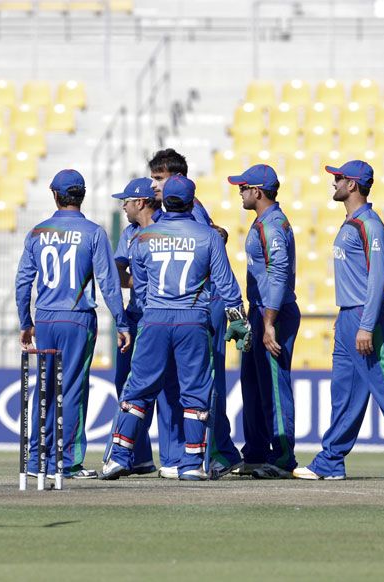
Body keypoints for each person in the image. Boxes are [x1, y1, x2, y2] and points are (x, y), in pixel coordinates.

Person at [101, 175, 251, 481]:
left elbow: (140, 287)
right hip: (192, 320)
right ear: (191, 200)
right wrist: (239, 321)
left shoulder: (142, 238)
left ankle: (118, 457)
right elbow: (227, 285)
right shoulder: (208, 236)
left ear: (164, 200)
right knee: (194, 391)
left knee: (139, 388)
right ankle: (192, 464)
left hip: (154, 318)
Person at [293, 160, 384, 481]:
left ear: (353, 185)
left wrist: (366, 323)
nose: (334, 183)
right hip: (348, 315)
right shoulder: (351, 222)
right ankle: (331, 459)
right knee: (344, 394)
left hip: (364, 316)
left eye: (339, 179)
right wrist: (344, 317)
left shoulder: (369, 224)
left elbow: (377, 278)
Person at [15, 169, 131, 480]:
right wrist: (122, 321)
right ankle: (65, 461)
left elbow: (23, 283)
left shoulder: (38, 233)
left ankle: (36, 459)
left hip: (46, 317)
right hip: (78, 318)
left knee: (45, 388)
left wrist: (26, 322)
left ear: (55, 194)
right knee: (72, 389)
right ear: (80, 195)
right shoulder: (93, 233)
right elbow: (108, 282)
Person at [149, 149, 243, 480]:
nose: (153, 185)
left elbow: (213, 242)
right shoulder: (172, 213)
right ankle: (193, 453)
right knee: (182, 382)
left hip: (201, 307)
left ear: (178, 180)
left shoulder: (192, 213)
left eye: (159, 179)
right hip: (188, 309)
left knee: (202, 381)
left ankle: (217, 453)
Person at [228, 164, 300, 479]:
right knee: (253, 385)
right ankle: (256, 452)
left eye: (243, 188)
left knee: (273, 385)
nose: (240, 193)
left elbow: (279, 273)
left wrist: (268, 322)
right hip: (260, 311)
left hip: (274, 312)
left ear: (257, 192)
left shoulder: (271, 225)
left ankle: (283, 457)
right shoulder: (263, 222)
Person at [102, 177, 163, 474]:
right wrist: (137, 280)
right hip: (137, 315)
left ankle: (178, 457)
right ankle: (139, 457)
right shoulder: (128, 233)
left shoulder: (167, 225)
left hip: (162, 318)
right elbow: (117, 271)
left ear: (139, 202)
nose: (123, 206)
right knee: (125, 383)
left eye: (125, 200)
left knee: (160, 390)